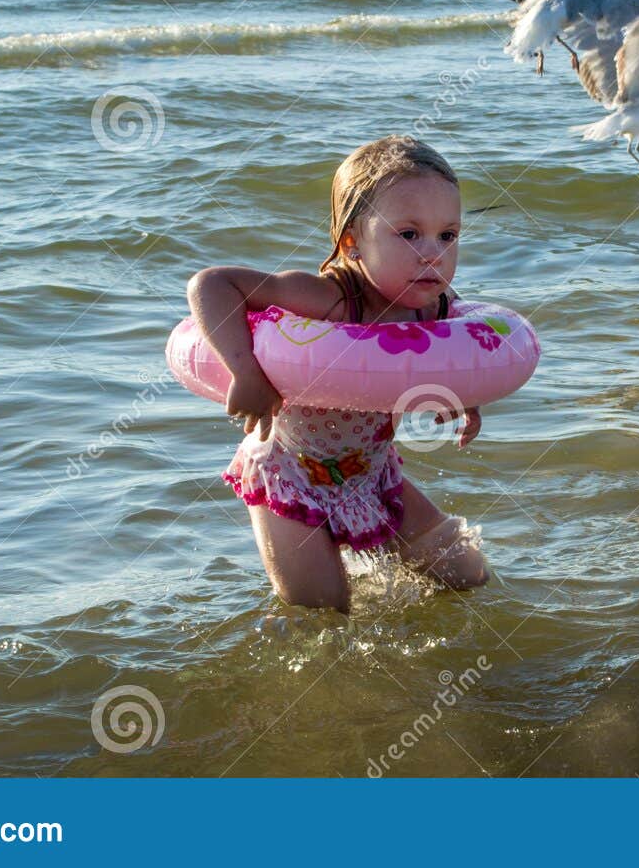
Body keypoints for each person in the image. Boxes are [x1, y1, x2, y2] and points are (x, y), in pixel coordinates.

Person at [186, 136, 490, 613]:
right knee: (324, 613)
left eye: (447, 236)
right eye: (408, 234)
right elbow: (212, 284)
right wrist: (245, 371)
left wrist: (464, 396)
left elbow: (445, 362)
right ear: (352, 241)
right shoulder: (329, 299)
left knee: (466, 574)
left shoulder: (435, 309)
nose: (432, 252)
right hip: (290, 472)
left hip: (368, 471)